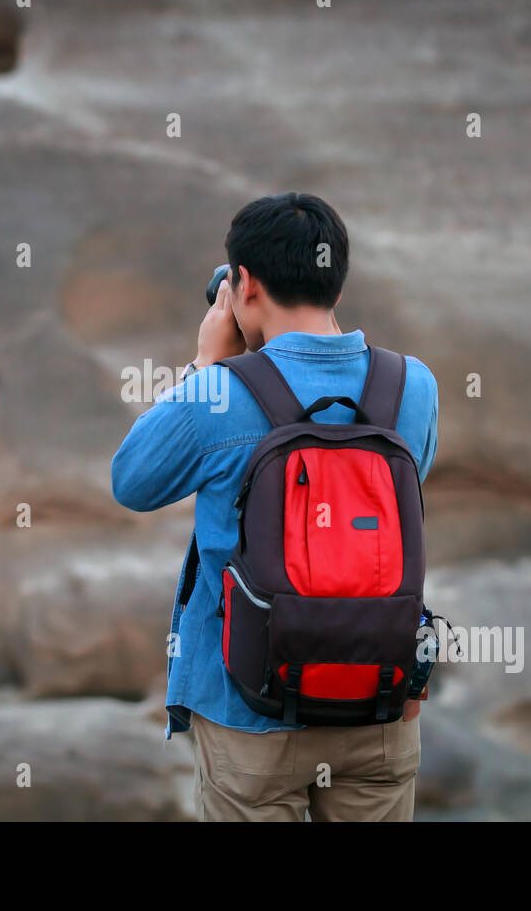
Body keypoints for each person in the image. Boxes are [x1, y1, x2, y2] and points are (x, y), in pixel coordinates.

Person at [111, 192, 439, 821]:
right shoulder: (411, 384)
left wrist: (209, 360)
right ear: (336, 286)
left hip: (249, 709)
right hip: (379, 702)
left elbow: (133, 480)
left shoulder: (218, 392)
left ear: (245, 284)